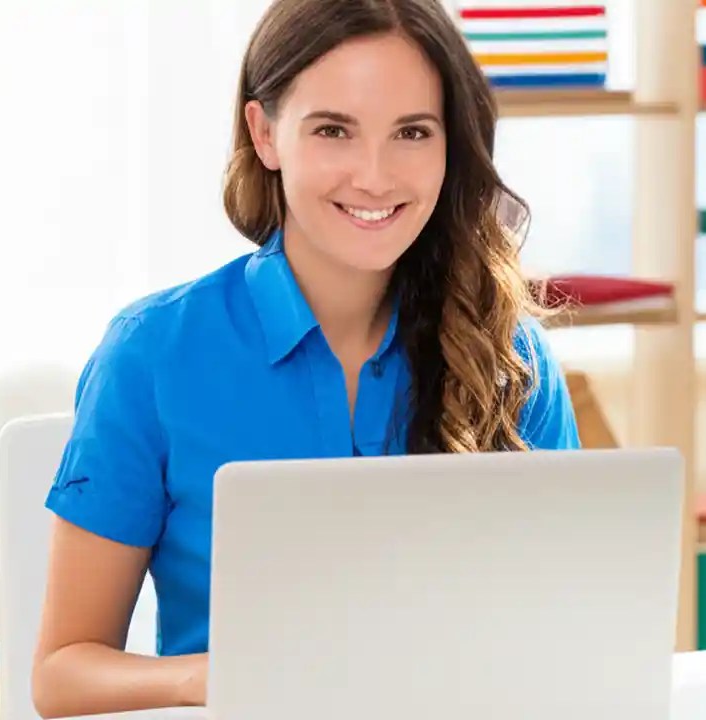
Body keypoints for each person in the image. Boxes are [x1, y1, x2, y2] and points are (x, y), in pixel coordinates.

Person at [30, 0, 581, 716]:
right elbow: (62, 675)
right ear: (265, 133)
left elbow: (569, 634)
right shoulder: (153, 355)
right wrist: (215, 678)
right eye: (333, 131)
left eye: (412, 132)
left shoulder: (511, 360)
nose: (375, 177)